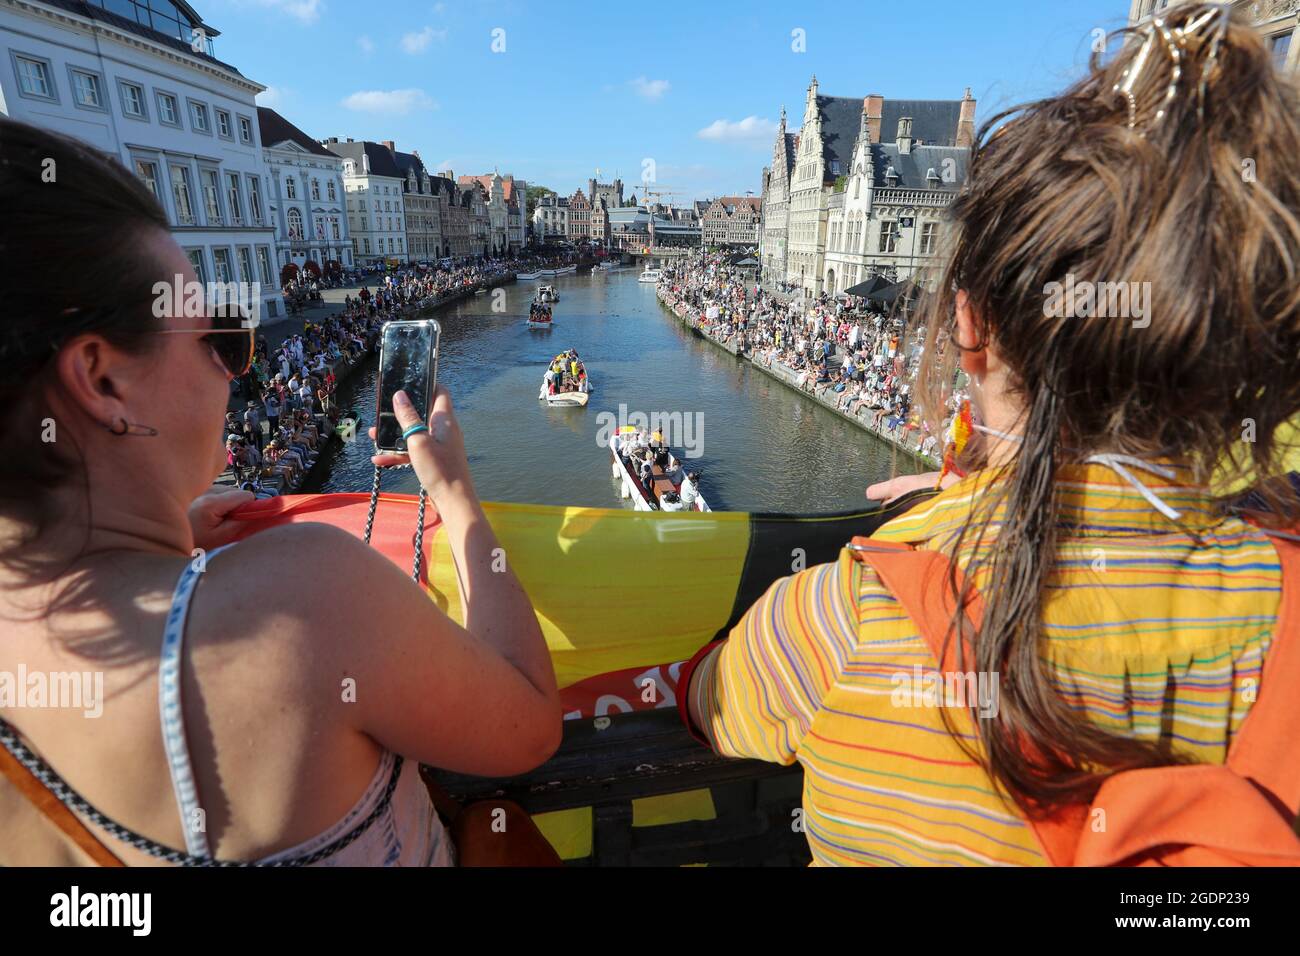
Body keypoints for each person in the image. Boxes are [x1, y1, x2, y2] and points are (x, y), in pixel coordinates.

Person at [681, 8, 1300, 866]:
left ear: (969, 327)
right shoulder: (1286, 601)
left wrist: (945, 526)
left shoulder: (850, 617)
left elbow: (705, 702)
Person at [0, 118, 562, 866]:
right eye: (220, 337)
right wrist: (457, 501)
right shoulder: (301, 597)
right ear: (105, 380)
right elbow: (527, 725)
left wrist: (170, 530)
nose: (238, 366)